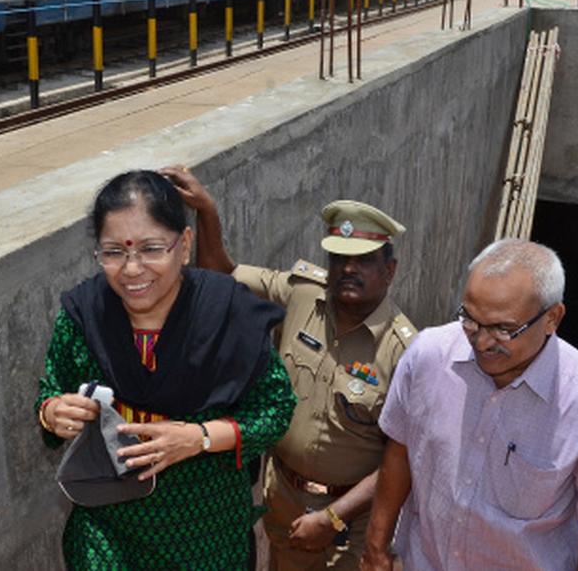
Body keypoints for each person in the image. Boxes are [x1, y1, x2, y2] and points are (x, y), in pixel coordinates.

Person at [35, 170, 297, 569]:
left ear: (185, 245)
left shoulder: (226, 313)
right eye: (114, 252)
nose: (132, 269)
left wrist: (199, 438)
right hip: (109, 532)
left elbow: (275, 410)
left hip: (207, 537)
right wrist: (54, 412)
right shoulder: (84, 315)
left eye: (151, 249)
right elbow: (52, 389)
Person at [162, 166, 417, 570]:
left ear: (390, 270)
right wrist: (207, 211)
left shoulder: (405, 353)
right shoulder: (301, 295)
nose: (348, 269)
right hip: (283, 499)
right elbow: (220, 277)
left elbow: (400, 460)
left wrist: (333, 518)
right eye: (339, 258)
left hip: (350, 520)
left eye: (364, 261)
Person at [362, 239, 578, 571]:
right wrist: (376, 548)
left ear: (553, 318)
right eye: (470, 319)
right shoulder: (428, 357)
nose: (481, 341)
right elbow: (401, 450)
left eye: (503, 329)